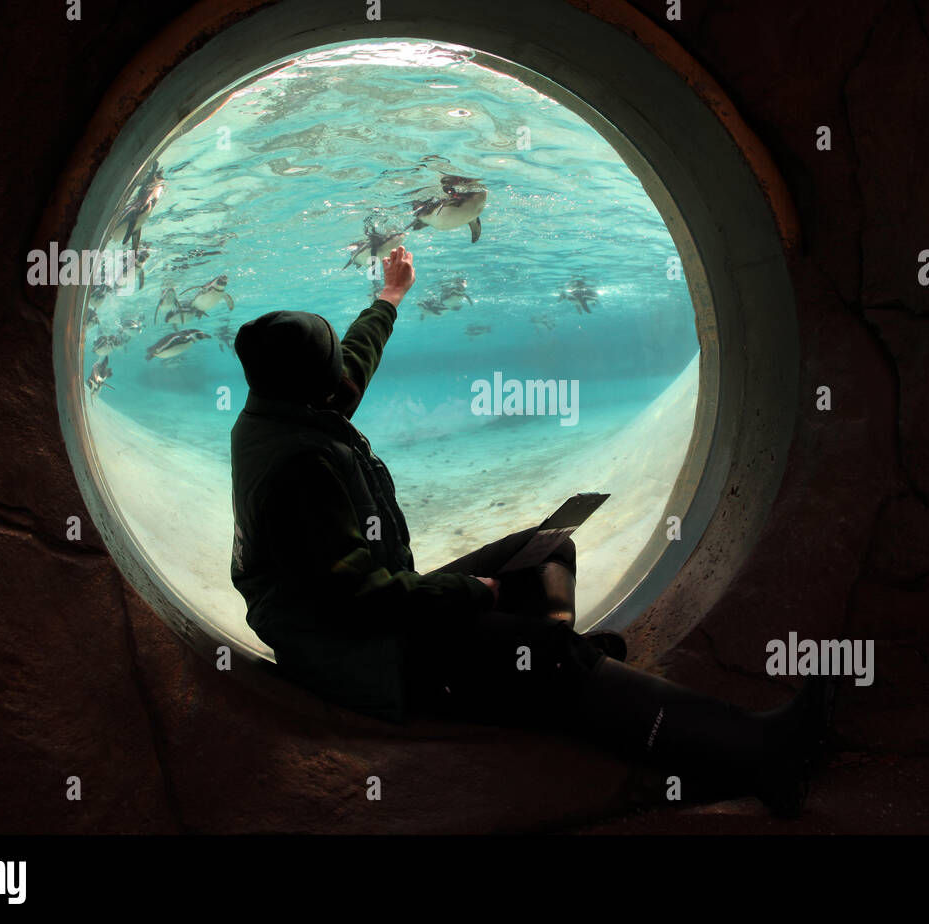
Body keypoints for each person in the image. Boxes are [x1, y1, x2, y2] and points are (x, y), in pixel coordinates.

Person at [230, 246, 832, 815]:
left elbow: (355, 362)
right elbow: (358, 599)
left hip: (373, 618)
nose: (345, 376)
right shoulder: (298, 471)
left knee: (547, 551)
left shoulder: (285, 405)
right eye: (333, 365)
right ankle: (762, 758)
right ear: (314, 384)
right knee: (543, 650)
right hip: (358, 651)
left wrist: (390, 295)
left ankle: (543, 678)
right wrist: (473, 594)